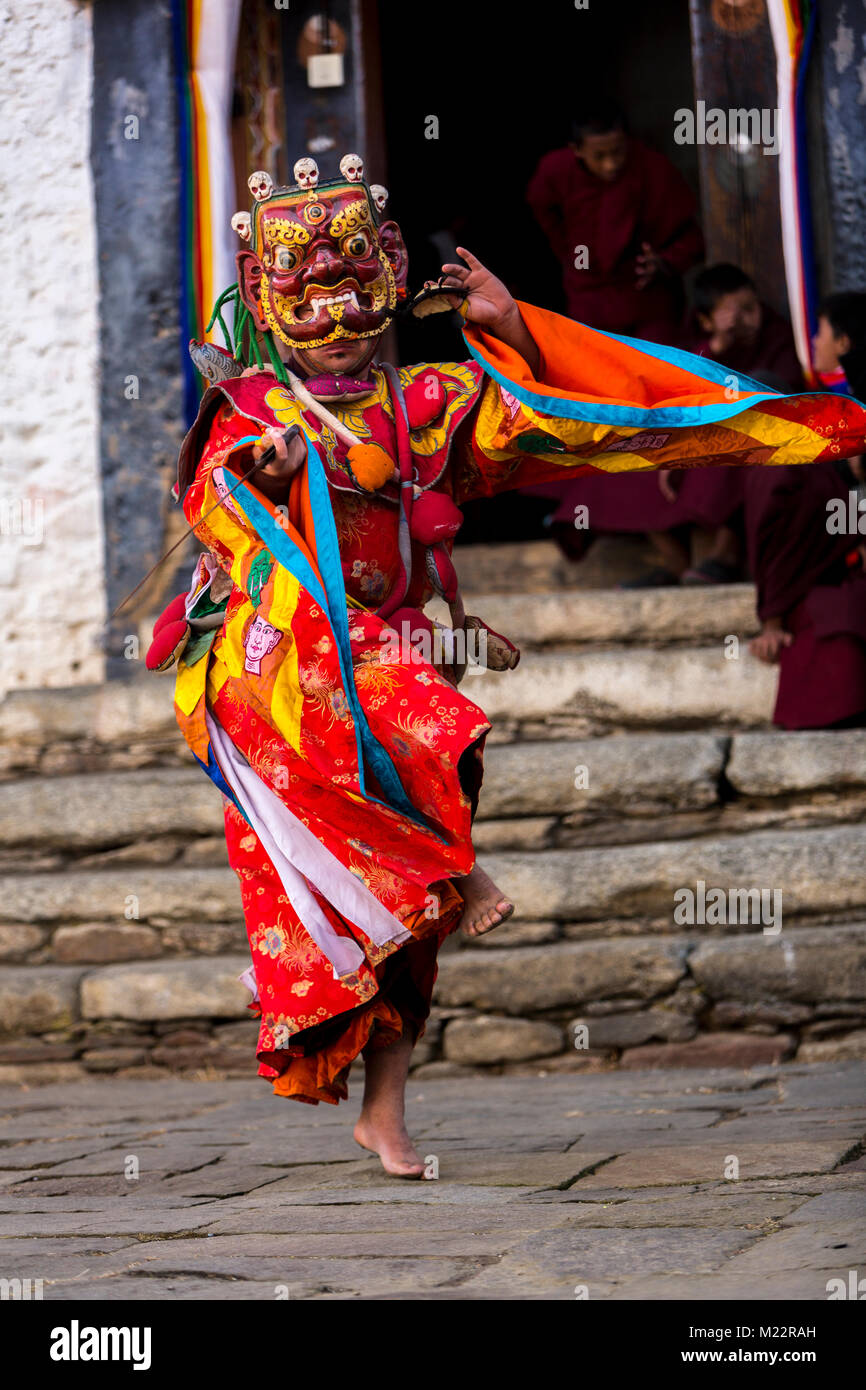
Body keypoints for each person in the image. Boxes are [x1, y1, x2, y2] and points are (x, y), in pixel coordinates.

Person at [151, 155, 866, 1177]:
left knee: (405, 912)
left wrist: (516, 325)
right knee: (381, 679)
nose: (339, 310)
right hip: (284, 682)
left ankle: (385, 1109)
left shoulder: (422, 401)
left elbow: (562, 421)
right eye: (309, 293)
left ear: (392, 275)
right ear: (266, 296)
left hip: (389, 664)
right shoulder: (253, 407)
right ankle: (459, 859)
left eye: (358, 286)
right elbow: (220, 486)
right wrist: (264, 470)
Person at [542, 264, 805, 587]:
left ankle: (725, 555)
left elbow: (784, 392)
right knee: (629, 459)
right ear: (705, 321)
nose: (748, 321)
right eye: (734, 315)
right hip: (693, 432)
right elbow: (676, 393)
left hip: (741, 433)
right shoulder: (696, 341)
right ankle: (677, 565)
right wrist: (718, 346)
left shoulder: (775, 336)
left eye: (751, 309)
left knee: (738, 452)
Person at [748, 292, 866, 727]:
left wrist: (771, 617)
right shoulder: (798, 449)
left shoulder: (837, 420)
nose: (814, 341)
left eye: (821, 332)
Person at [526, 99, 704, 343]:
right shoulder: (556, 172)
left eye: (617, 152)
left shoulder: (654, 169)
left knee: (656, 369)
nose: (610, 164)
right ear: (576, 150)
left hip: (645, 299)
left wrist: (664, 262)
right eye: (599, 156)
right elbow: (544, 212)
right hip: (588, 296)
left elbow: (691, 237)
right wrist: (573, 255)